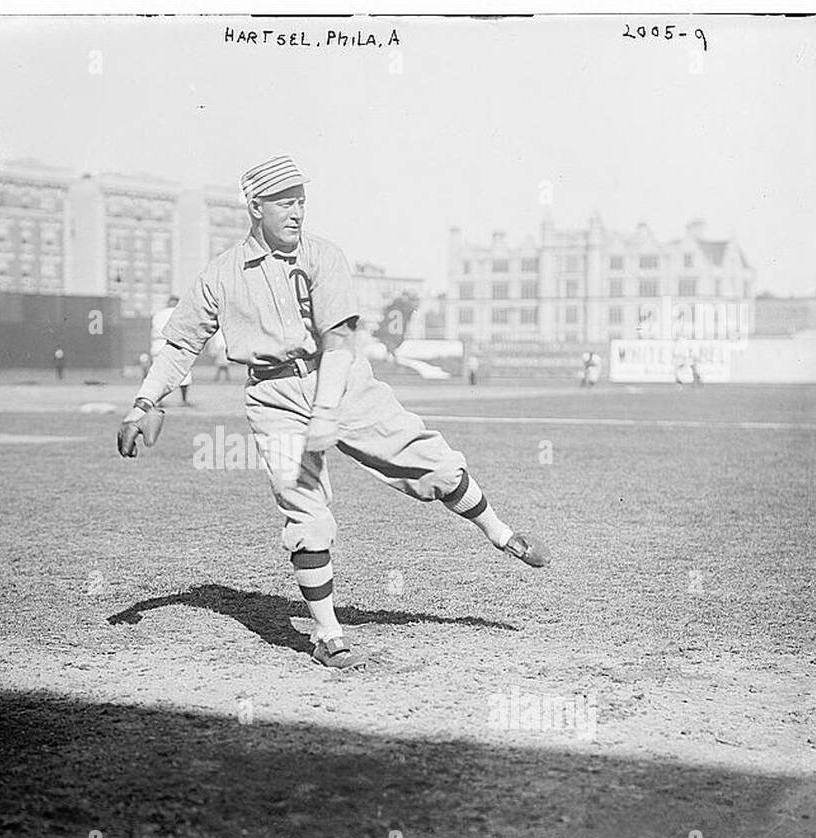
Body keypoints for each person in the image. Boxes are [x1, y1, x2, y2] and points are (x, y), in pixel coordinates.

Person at [117, 155, 549, 670]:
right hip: (273, 400)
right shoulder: (220, 276)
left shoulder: (323, 256)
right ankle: (327, 633)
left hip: (341, 381)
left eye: (302, 200)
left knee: (432, 460)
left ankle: (501, 533)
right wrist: (144, 401)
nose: (297, 211)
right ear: (255, 207)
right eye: (284, 201)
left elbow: (339, 339)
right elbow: (179, 345)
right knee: (306, 515)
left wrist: (325, 412)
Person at [152, 295, 192, 404]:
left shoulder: (158, 314)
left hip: (158, 344)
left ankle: (157, 401)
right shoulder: (181, 312)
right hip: (176, 343)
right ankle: (184, 400)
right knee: (183, 373)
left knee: (159, 374)